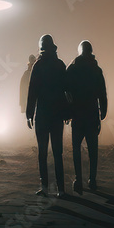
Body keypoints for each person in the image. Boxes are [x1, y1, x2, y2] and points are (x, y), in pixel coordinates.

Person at [26, 35, 69, 197]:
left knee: (42, 152)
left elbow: (32, 91)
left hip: (42, 114)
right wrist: (67, 112)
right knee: (58, 153)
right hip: (57, 115)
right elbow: (67, 91)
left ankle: (44, 187)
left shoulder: (38, 66)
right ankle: (61, 189)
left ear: (41, 47)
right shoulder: (60, 65)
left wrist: (29, 113)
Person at [66, 40, 108, 194]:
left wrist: (67, 111)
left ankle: (78, 180)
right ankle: (92, 179)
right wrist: (103, 111)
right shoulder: (96, 69)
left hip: (77, 114)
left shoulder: (73, 68)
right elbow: (102, 93)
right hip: (92, 113)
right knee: (93, 149)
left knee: (76, 149)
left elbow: (66, 90)